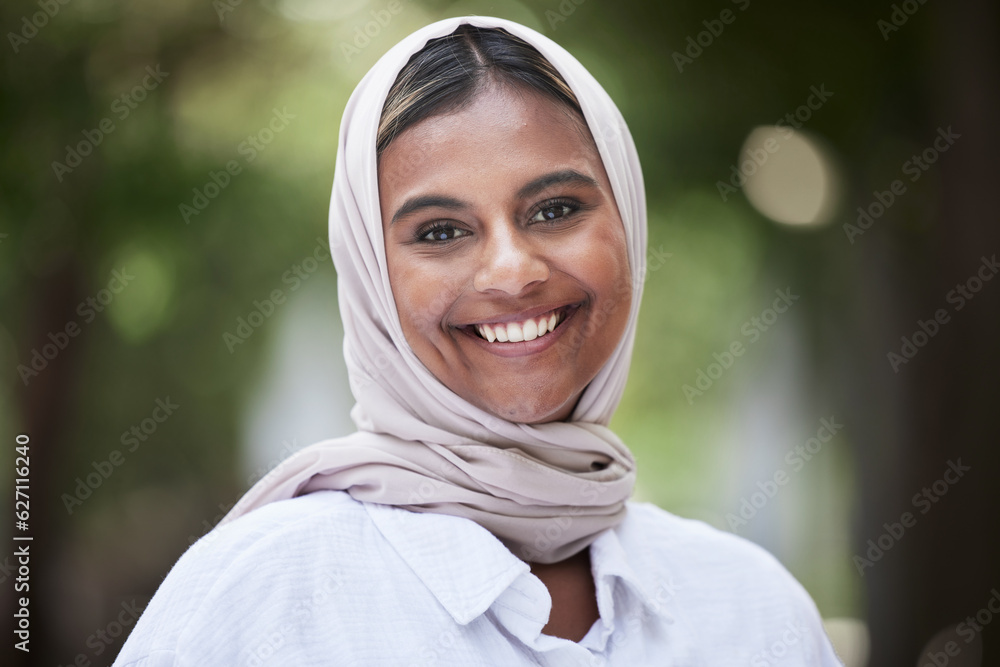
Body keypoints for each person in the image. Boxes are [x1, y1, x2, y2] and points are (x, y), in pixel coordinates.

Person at [113, 16, 843, 666]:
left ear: (629, 224)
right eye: (440, 231)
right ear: (371, 272)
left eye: (555, 209)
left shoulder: (755, 611)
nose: (512, 270)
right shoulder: (255, 599)